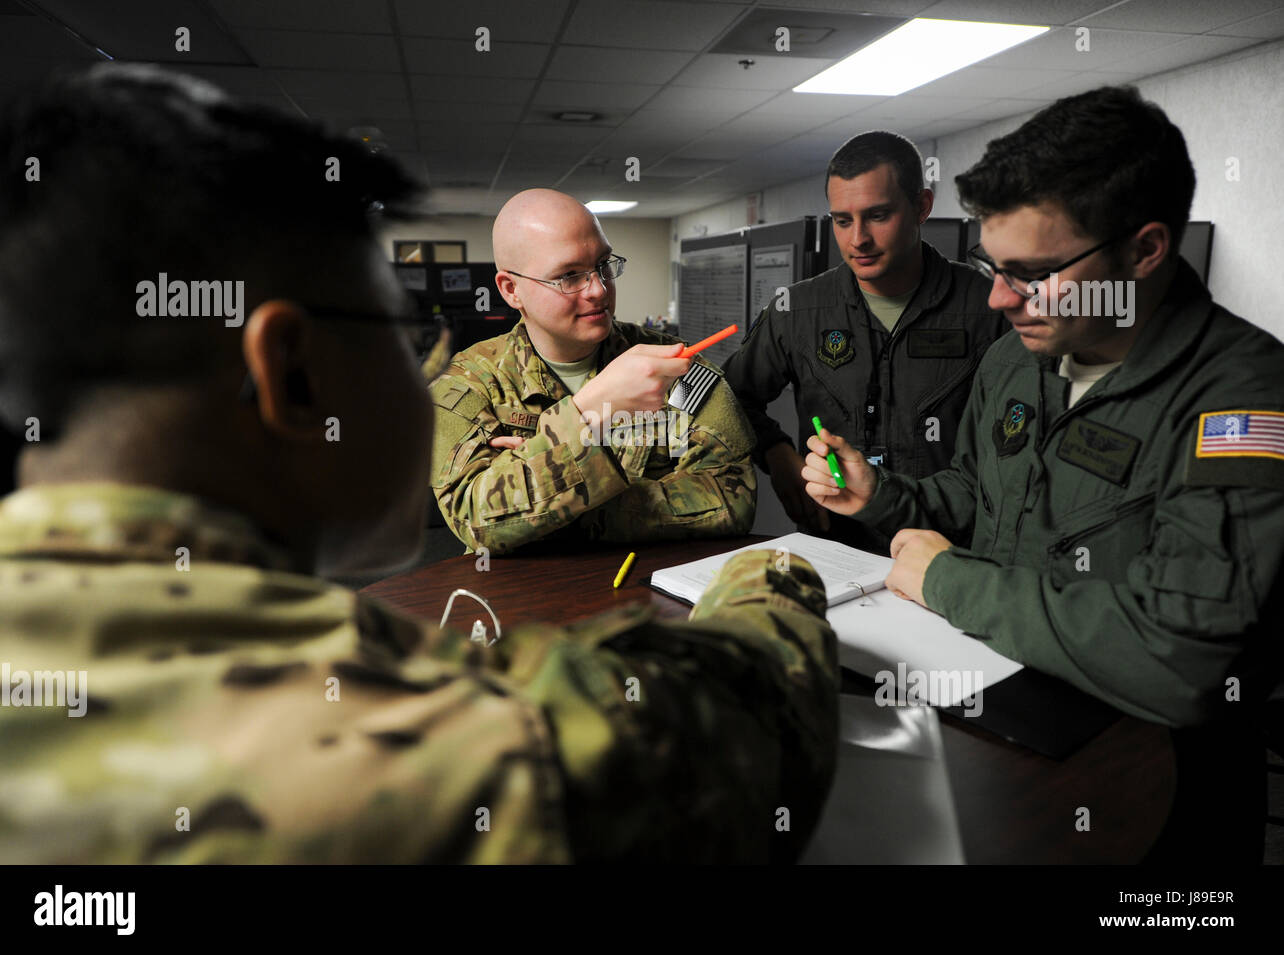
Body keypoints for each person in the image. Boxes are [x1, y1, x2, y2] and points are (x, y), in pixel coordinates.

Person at [0, 64, 839, 863]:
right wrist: (776, 572)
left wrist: (555, 489)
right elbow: (756, 723)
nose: (424, 364)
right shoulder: (431, 728)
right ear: (290, 372)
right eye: (399, 328)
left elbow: (721, 487)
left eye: (601, 269)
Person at [803, 86, 1284, 862]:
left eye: (1031, 272)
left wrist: (947, 582)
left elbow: (1183, 658)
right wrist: (881, 496)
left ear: (1146, 249)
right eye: (993, 267)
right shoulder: (1017, 357)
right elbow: (976, 492)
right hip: (1006, 735)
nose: (998, 297)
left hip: (1153, 794)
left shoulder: (1244, 399)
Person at [429, 188, 756, 555]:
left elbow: (731, 500)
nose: (599, 289)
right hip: (520, 601)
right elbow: (474, 522)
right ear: (511, 290)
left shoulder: (674, 366)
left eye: (603, 264)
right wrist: (588, 411)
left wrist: (537, 495)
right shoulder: (466, 384)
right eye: (569, 275)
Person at [724, 131, 1005, 551]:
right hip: (836, 547)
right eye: (842, 220)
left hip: (947, 549)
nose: (858, 240)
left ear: (922, 207)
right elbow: (730, 395)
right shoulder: (798, 309)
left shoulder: (988, 306)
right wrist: (779, 455)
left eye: (878, 215)